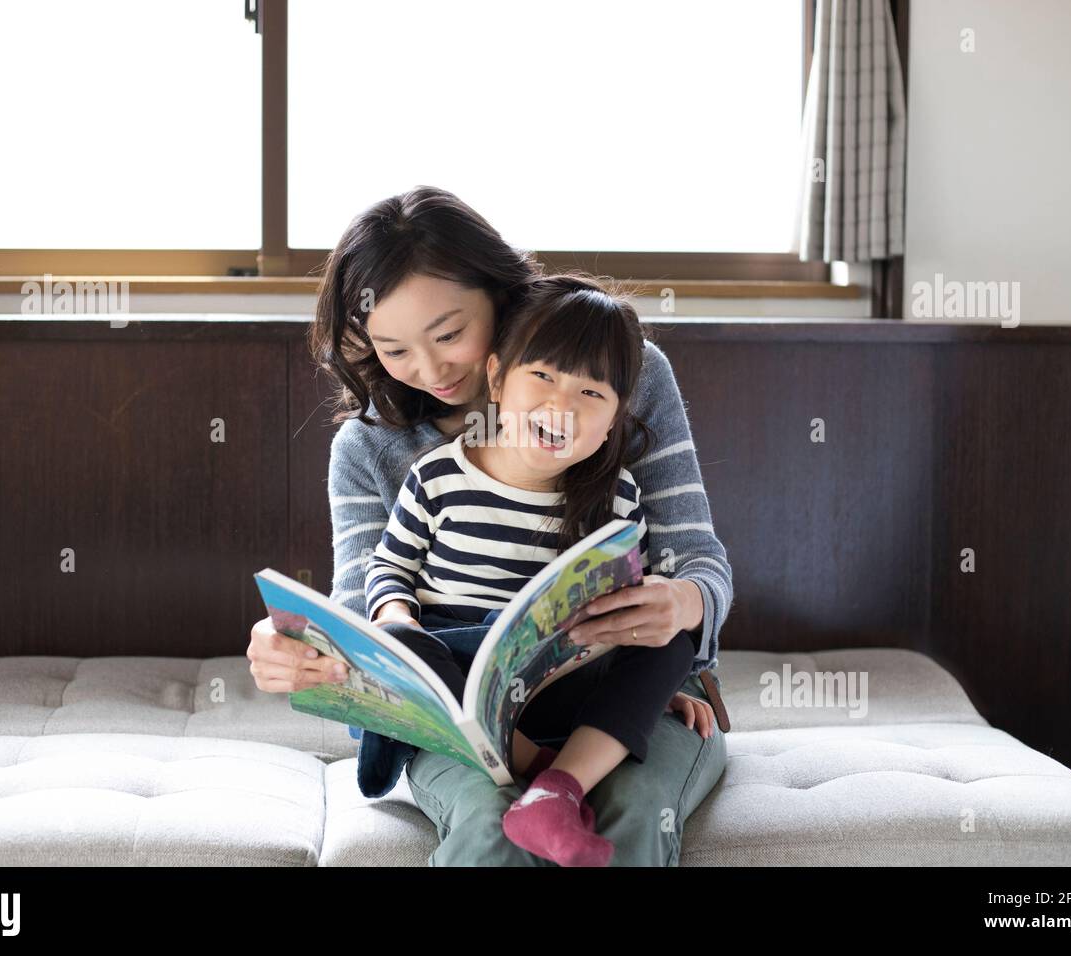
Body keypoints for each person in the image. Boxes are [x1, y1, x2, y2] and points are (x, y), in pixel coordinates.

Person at [247, 186, 732, 866]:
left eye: (449, 334)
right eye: (394, 349)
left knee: (627, 811)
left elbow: (696, 562)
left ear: (502, 296)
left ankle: (567, 777)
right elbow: (371, 623)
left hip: (612, 690)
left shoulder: (617, 371)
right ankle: (528, 765)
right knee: (488, 823)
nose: (431, 368)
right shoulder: (373, 451)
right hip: (457, 712)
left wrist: (683, 603)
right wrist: (295, 643)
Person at [356, 275, 697, 866]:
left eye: (592, 394)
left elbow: (632, 603)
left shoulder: (617, 497)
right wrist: (395, 616)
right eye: (541, 377)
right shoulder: (438, 478)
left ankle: (555, 789)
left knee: (671, 642)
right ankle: (539, 773)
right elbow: (389, 567)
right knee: (404, 643)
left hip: (563, 673)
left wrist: (650, 674)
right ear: (496, 378)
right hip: (463, 668)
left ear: (616, 417)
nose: (561, 406)